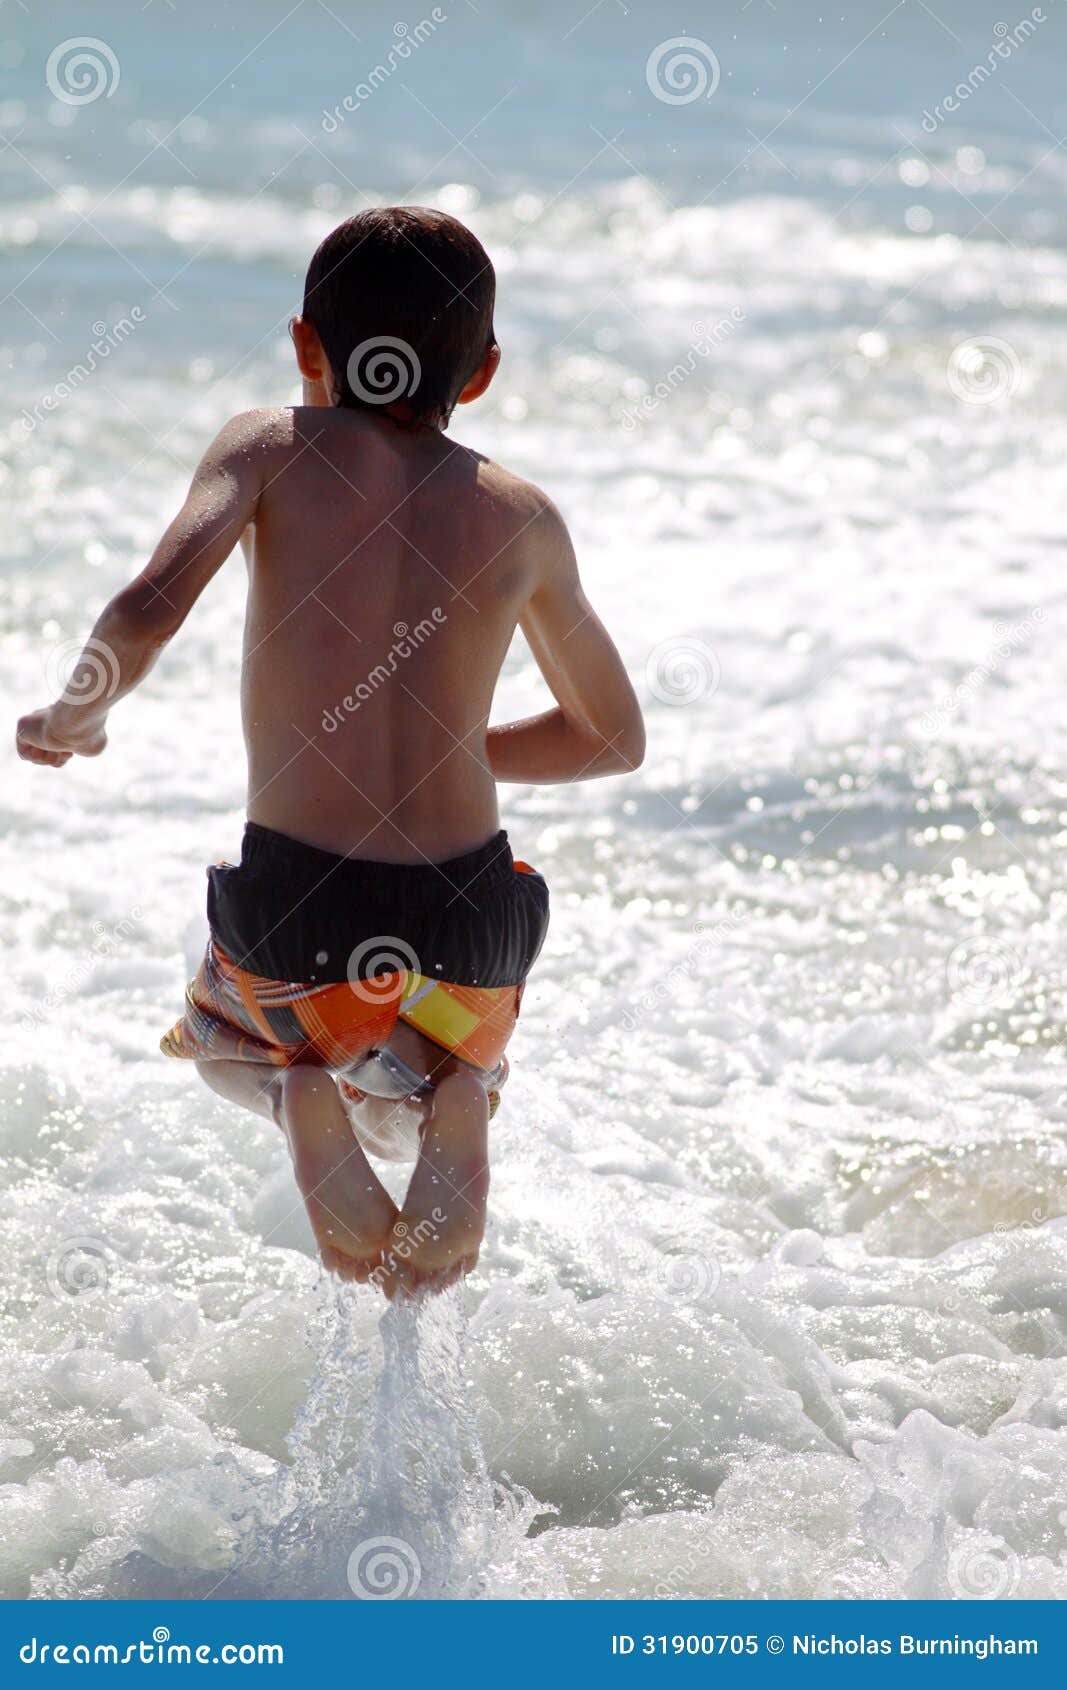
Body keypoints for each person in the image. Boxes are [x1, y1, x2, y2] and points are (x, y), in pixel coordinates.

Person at [15, 207, 645, 1297]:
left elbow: (151, 604)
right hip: (471, 930)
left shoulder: (268, 446)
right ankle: (456, 1098)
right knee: (439, 1067)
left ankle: (291, 1098)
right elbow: (610, 737)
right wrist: (452, 743)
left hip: (297, 926)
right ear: (483, 373)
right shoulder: (522, 515)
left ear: (306, 346)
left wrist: (79, 714)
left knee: (222, 1044)